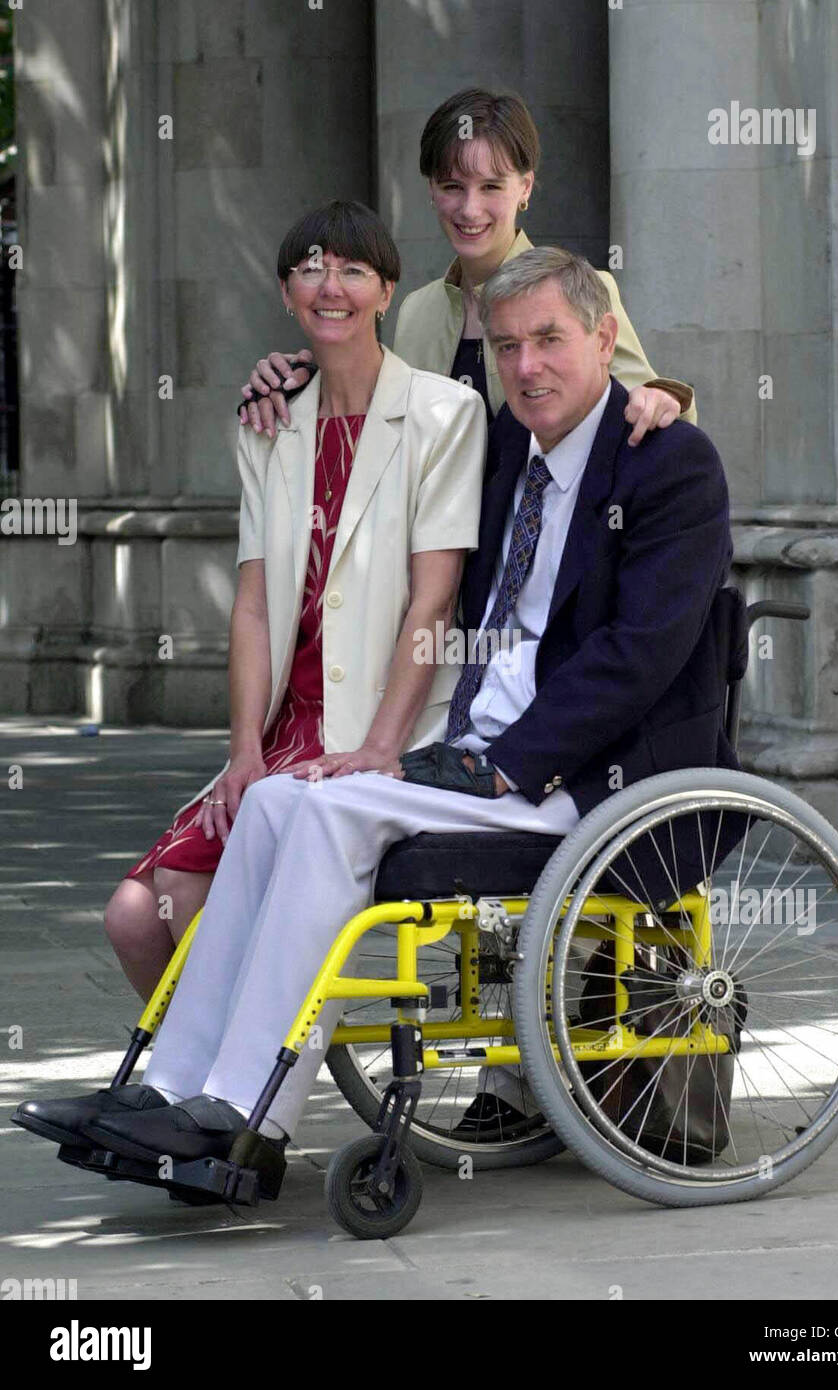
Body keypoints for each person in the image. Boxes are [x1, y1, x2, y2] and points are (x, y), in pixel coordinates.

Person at [12, 247, 740, 1176]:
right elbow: (392, 423)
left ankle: (246, 1118)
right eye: (509, 347)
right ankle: (169, 1087)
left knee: (327, 820)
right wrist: (298, 370)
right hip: (470, 747)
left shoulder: (668, 461)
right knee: (277, 801)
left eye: (551, 341)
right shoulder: (505, 443)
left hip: (588, 774)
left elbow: (640, 655)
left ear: (606, 341)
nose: (527, 368)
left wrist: (505, 760)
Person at [103, 199, 487, 1001]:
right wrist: (242, 748)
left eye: (353, 269)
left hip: (389, 724)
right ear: (285, 292)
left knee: (192, 905)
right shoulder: (267, 424)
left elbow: (434, 604)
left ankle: (223, 1101)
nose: (330, 286)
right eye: (310, 269)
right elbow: (252, 607)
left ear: (387, 291)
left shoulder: (444, 413)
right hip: (281, 727)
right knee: (137, 917)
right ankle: (203, 1098)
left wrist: (384, 747)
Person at [238, 88, 695, 447]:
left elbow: (663, 416)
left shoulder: (589, 289)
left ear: (525, 188)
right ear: (432, 191)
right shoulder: (417, 311)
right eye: (452, 186)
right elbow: (382, 424)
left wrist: (662, 397)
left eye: (491, 186)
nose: (469, 209)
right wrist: (295, 383)